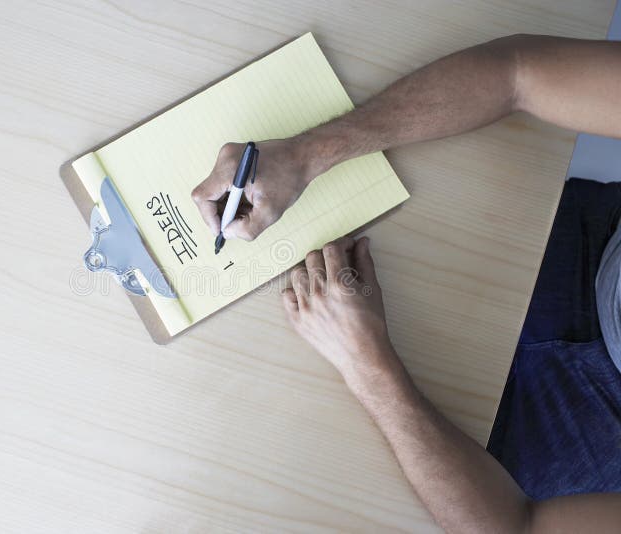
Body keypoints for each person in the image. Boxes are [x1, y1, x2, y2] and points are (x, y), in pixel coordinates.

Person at [192, 35, 621, 532]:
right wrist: (307, 156)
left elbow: (515, 526)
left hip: (593, 437)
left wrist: (366, 363)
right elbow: (516, 73)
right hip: (590, 247)